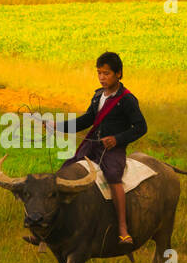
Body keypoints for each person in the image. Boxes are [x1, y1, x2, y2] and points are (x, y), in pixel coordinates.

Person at [28, 51, 147, 246]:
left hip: (112, 150)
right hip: (91, 145)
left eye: (106, 73)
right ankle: (44, 228)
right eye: (99, 73)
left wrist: (117, 139)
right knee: (64, 172)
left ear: (119, 74)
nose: (102, 77)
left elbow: (141, 127)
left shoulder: (127, 100)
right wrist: (58, 126)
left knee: (114, 178)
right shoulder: (97, 95)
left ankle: (123, 227)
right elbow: (87, 120)